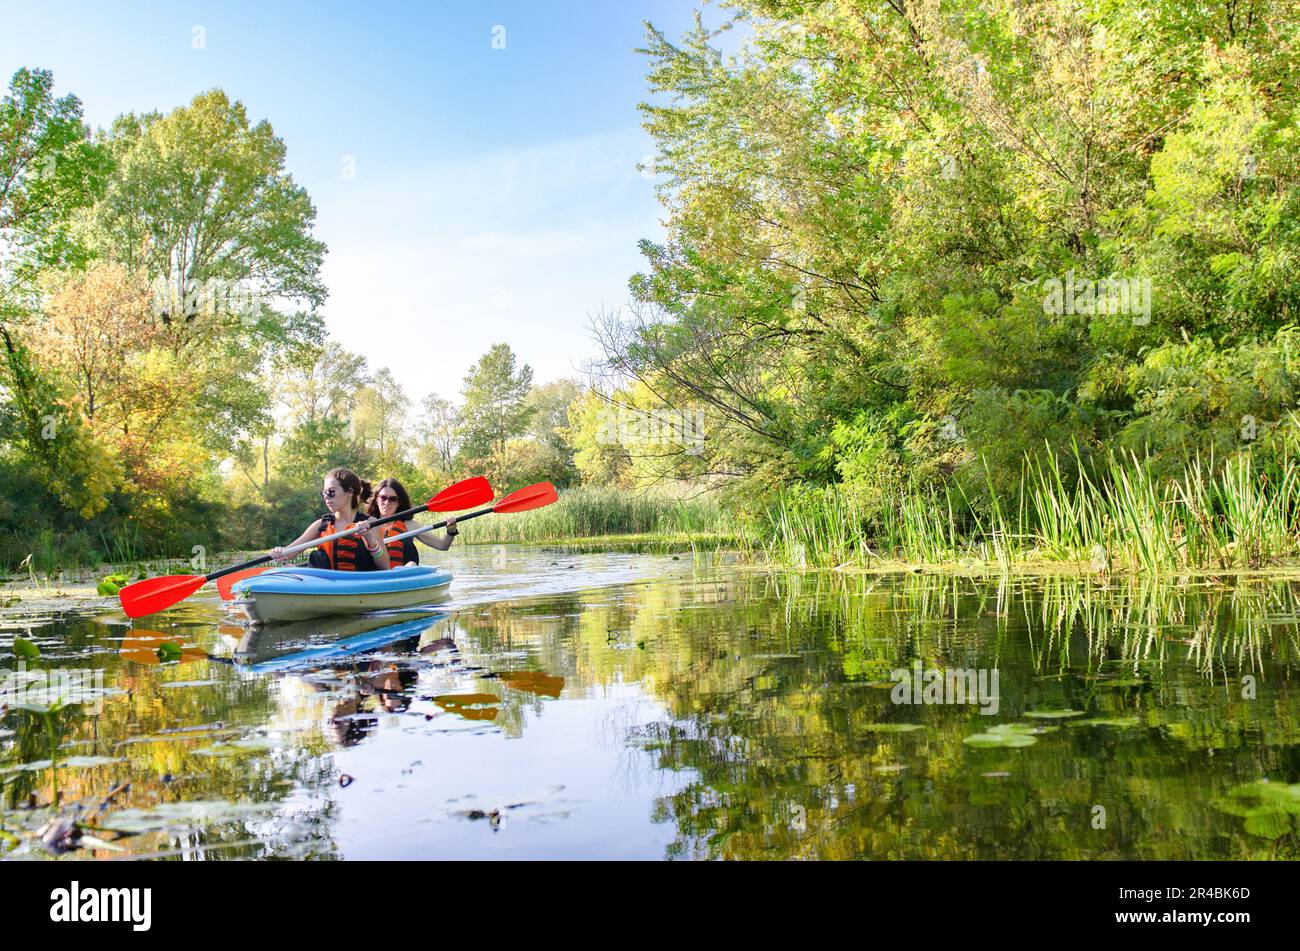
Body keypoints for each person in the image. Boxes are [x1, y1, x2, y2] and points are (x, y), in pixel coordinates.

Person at [270, 467, 389, 571]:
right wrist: (279, 552)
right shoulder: (321, 525)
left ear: (349, 492)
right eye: (324, 493)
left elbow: (385, 565)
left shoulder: (370, 523)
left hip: (359, 588)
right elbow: (288, 552)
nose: (326, 497)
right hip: (327, 588)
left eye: (331, 492)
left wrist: (369, 538)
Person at [368, 477, 457, 567]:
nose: (387, 503)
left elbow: (442, 545)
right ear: (376, 499)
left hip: (402, 575)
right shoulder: (366, 525)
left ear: (399, 502)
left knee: (411, 564)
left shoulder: (410, 526)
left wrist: (451, 531)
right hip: (374, 577)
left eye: (393, 499)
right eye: (383, 498)